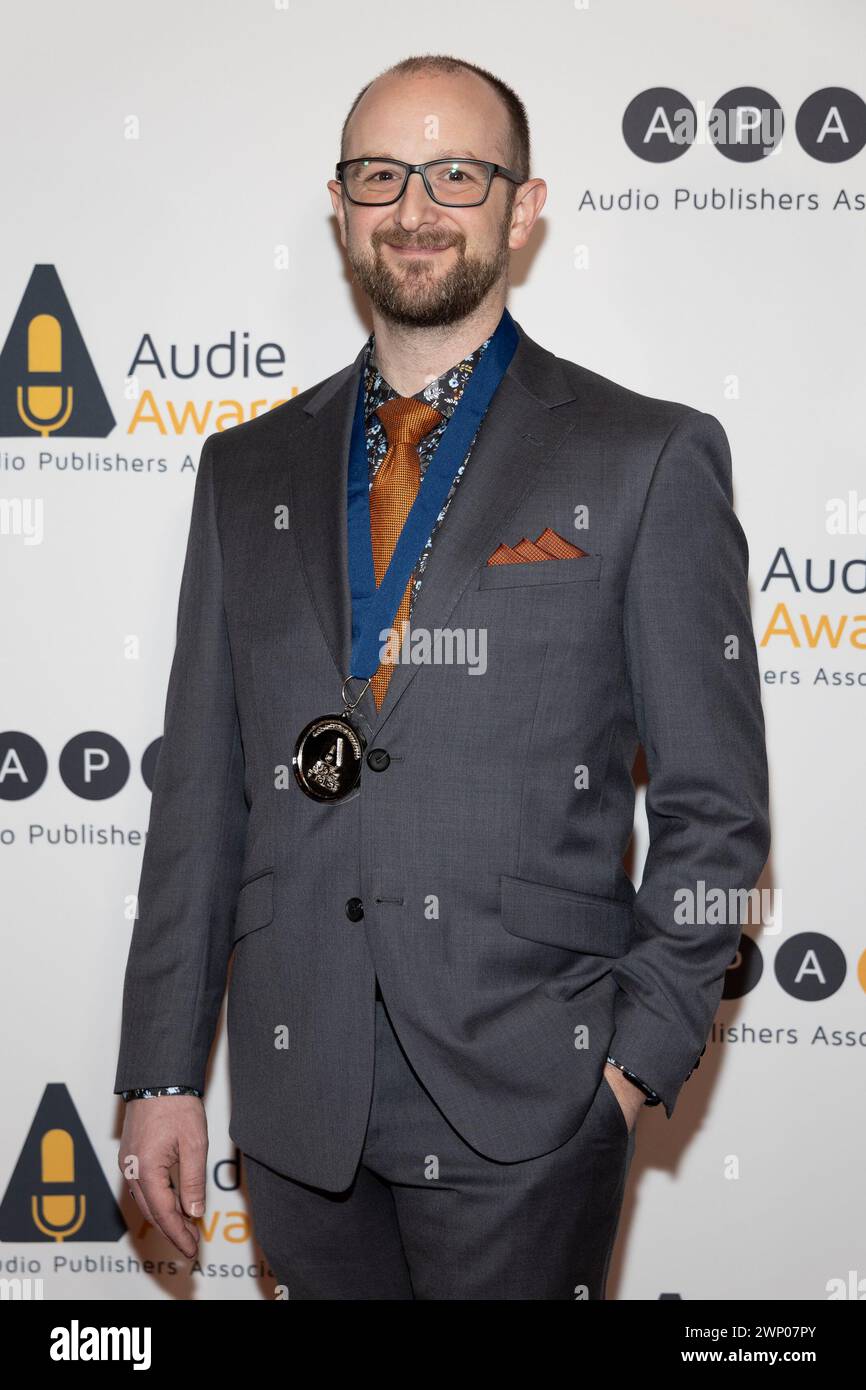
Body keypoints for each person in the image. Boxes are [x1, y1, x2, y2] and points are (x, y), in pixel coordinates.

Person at [115, 53, 770, 1300]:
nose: (414, 206)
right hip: (301, 1109)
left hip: (531, 1098)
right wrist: (159, 1071)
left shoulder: (645, 455)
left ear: (520, 208)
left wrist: (627, 1066)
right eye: (380, 175)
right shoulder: (242, 471)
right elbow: (200, 795)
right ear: (341, 205)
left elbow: (715, 814)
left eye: (456, 173)